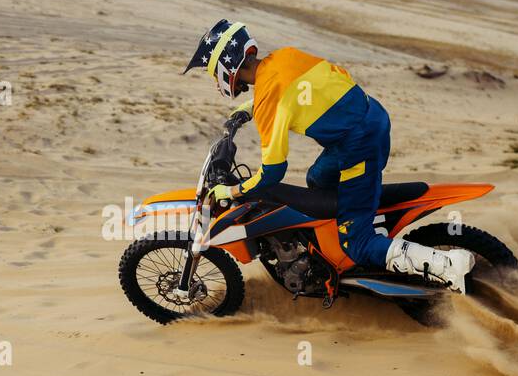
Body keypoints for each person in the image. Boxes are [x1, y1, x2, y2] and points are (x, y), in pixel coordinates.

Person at [182, 19, 474, 293]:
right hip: (370, 118)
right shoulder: (283, 58)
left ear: (226, 67)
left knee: (357, 244)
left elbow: (272, 171)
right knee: (318, 177)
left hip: (357, 145)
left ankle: (446, 265)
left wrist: (233, 189)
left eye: (213, 72)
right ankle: (339, 233)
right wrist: (249, 109)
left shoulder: (269, 98)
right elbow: (295, 87)